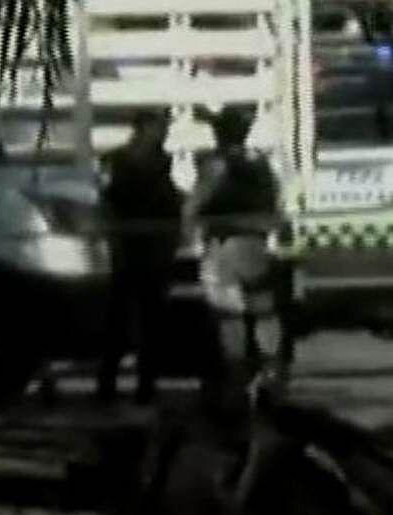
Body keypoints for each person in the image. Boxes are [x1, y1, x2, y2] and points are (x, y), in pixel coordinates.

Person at [189, 104, 287, 399]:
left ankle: (237, 375)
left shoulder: (216, 166)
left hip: (225, 245)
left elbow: (195, 205)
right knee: (263, 309)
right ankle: (271, 369)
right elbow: (275, 202)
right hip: (256, 243)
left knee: (229, 313)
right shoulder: (260, 164)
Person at [96, 108, 183, 405]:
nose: (164, 134)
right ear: (143, 128)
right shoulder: (119, 162)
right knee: (119, 322)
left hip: (153, 251)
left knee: (150, 324)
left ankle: (144, 385)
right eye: (159, 127)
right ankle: (108, 384)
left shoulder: (161, 162)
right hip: (130, 250)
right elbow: (107, 204)